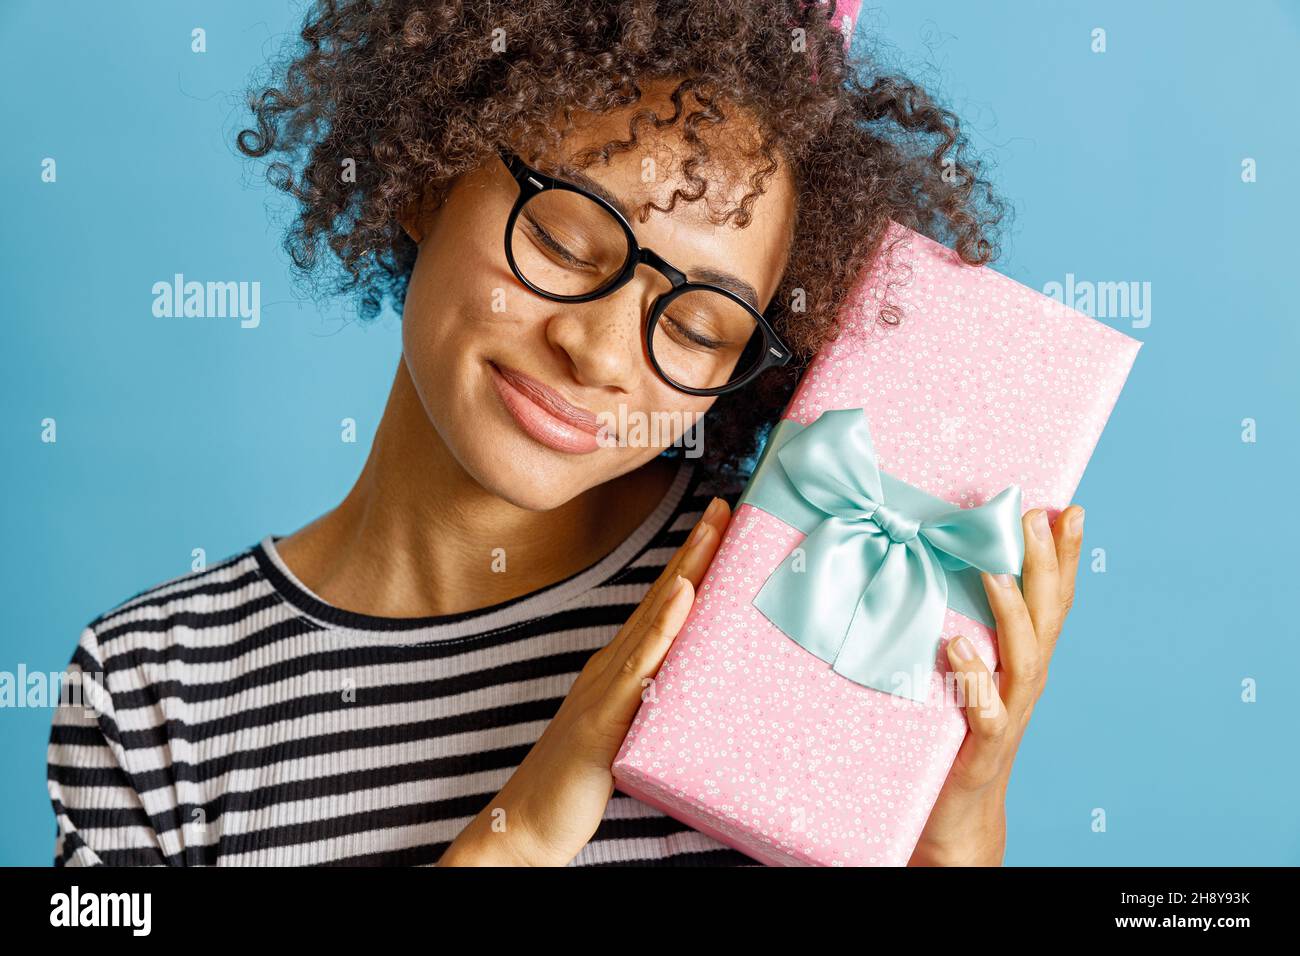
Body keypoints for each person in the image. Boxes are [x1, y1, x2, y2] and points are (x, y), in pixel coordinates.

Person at [47, 0, 1083, 866]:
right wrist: (521, 831)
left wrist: (956, 817)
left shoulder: (787, 610)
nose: (599, 348)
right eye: (562, 236)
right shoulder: (151, 688)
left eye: (697, 323)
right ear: (425, 179)